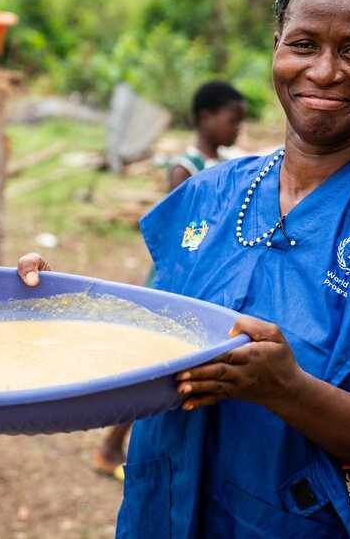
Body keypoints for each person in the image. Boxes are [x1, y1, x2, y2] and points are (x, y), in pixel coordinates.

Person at [19, 0, 350, 538]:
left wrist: (287, 389)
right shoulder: (209, 193)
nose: (324, 71)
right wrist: (57, 303)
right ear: (276, 50)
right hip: (166, 508)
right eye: (303, 44)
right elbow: (151, 336)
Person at [93, 80, 247, 480]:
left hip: (209, 280)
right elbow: (183, 232)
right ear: (206, 118)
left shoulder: (230, 167)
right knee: (155, 368)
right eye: (233, 120)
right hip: (179, 280)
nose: (237, 130)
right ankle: (112, 446)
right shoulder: (186, 168)